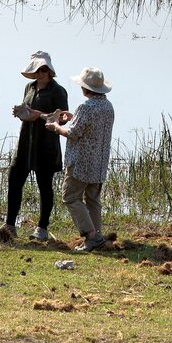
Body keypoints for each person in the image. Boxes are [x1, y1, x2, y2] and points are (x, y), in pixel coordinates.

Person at [0, 51, 68, 242]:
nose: (40, 73)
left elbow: (62, 118)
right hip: (26, 142)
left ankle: (42, 228)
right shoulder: (29, 87)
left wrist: (41, 115)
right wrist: (21, 111)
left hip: (46, 144)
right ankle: (9, 225)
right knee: (14, 179)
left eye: (44, 69)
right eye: (37, 69)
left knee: (44, 186)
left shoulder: (58, 91)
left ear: (50, 70)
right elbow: (28, 110)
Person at [46, 67, 115, 252]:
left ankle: (91, 236)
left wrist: (55, 127)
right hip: (99, 163)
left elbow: (73, 133)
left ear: (85, 89)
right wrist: (73, 117)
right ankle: (97, 235)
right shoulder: (107, 106)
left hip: (81, 163)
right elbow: (90, 126)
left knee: (70, 197)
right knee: (92, 199)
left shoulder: (86, 107)